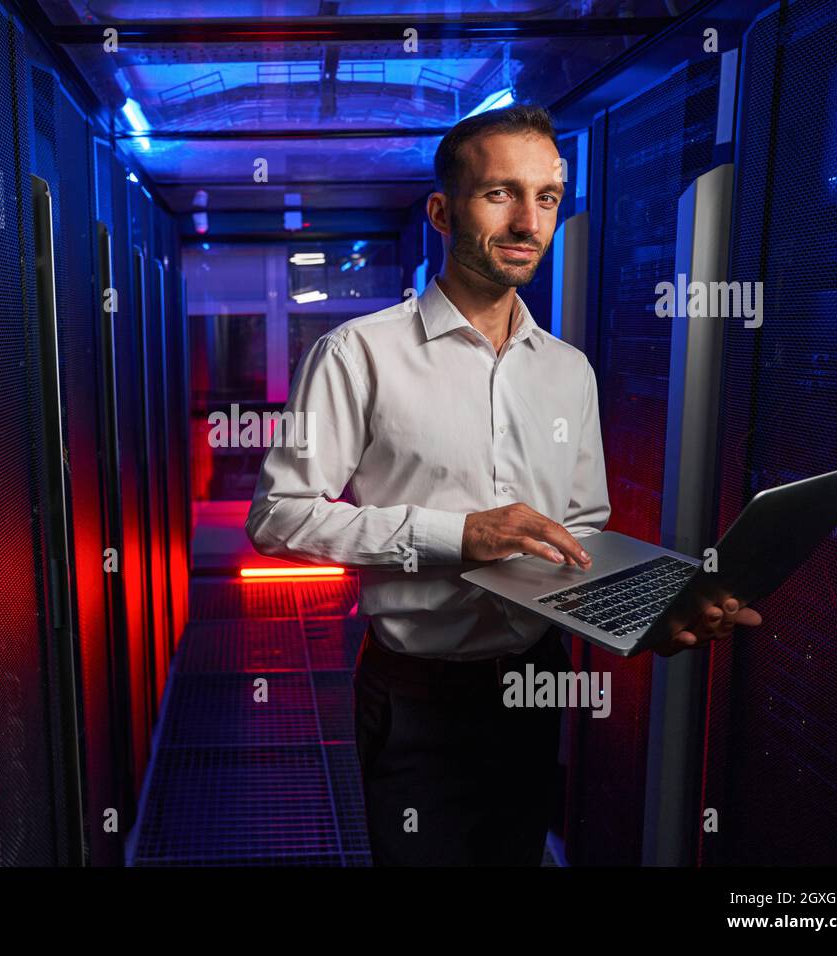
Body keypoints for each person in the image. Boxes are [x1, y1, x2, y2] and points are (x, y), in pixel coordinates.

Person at [245, 104, 760, 866]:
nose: (529, 220)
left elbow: (579, 533)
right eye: (500, 194)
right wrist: (458, 537)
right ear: (442, 211)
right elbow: (277, 518)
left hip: (536, 682)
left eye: (547, 196)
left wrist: (648, 611)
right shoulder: (356, 354)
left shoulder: (567, 369)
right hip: (416, 694)